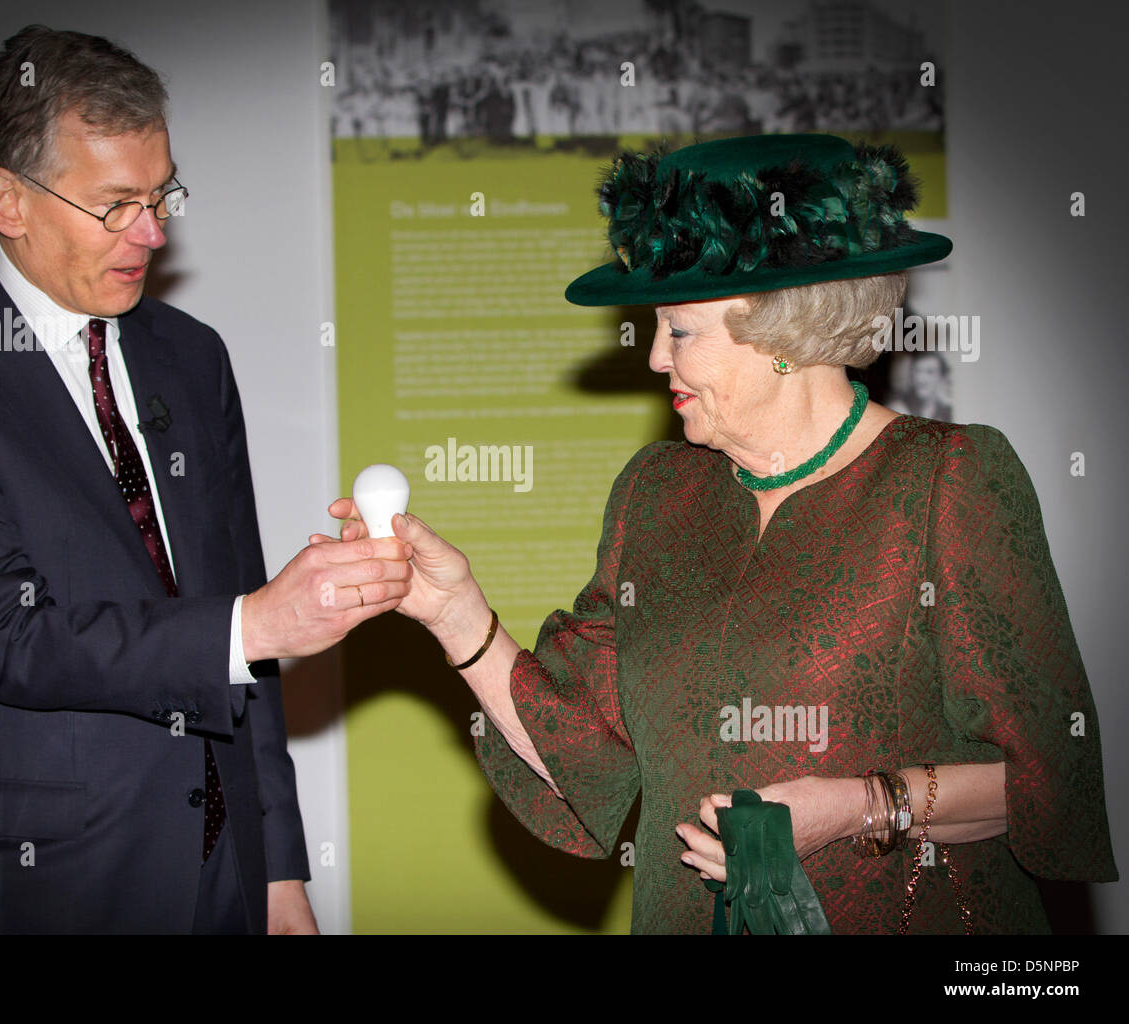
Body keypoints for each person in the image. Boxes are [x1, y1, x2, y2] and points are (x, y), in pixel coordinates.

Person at [326, 134, 1117, 932]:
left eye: (682, 331)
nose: (655, 360)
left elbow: (1050, 781)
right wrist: (453, 614)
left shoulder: (947, 478)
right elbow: (586, 761)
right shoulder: (655, 494)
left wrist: (856, 808)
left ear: (782, 332)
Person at [0, 25, 411, 934]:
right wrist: (258, 620)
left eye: (163, 196)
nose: (152, 232)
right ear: (9, 200)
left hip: (226, 875)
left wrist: (277, 872)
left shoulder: (191, 358)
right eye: (116, 204)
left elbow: (242, 637)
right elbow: (7, 640)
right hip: (50, 885)